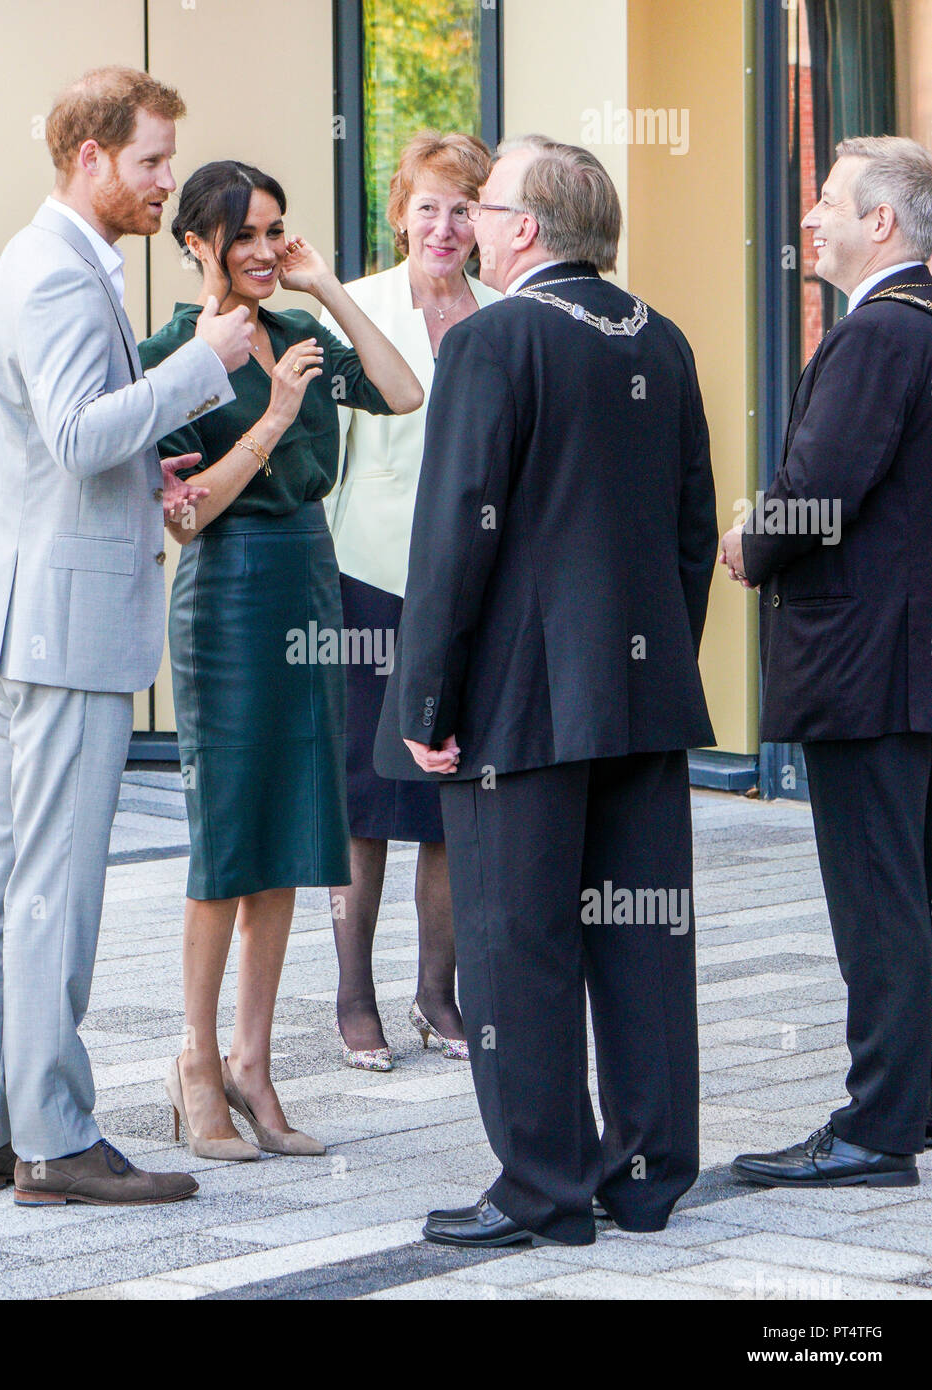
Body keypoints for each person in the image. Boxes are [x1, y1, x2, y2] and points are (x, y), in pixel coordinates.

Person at [377, 136, 717, 1248]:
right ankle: (650, 1169)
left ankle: (542, 1189)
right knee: (643, 932)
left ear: (525, 229)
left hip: (519, 705)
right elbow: (688, 531)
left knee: (518, 942)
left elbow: (450, 543)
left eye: (484, 204)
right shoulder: (659, 339)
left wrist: (424, 704)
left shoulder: (492, 340)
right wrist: (661, 666)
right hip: (640, 695)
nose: (467, 219)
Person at [0, 67, 253, 1206]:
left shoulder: (42, 261)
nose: (170, 182)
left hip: (23, 614)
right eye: (155, 161)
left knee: (2, 878)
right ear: (91, 159)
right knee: (49, 888)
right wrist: (204, 363)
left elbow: (55, 446)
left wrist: (136, 462)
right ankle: (57, 1143)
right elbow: (73, 434)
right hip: (60, 625)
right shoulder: (64, 273)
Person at [136, 159, 422, 1161]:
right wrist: (268, 421)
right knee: (228, 836)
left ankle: (257, 1065)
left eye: (274, 230)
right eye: (242, 234)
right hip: (225, 590)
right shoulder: (172, 351)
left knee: (296, 835)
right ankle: (196, 1062)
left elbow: (402, 387)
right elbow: (182, 512)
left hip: (309, 573)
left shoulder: (301, 333)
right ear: (194, 245)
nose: (261, 249)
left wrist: (326, 286)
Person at [723, 136, 932, 1190]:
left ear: (881, 224)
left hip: (871, 668)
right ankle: (909, 1102)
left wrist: (747, 544)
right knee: (911, 889)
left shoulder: (879, 335)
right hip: (909, 666)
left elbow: (823, 487)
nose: (810, 217)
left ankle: (879, 1126)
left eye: (828, 200)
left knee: (879, 899)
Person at [323, 132, 499, 1071]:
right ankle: (355, 998)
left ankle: (439, 991)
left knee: (449, 798)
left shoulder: (507, 315)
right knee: (363, 801)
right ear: (399, 211)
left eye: (464, 207)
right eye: (427, 206)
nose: (444, 225)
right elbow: (329, 468)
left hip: (474, 595)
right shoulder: (360, 309)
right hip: (366, 586)